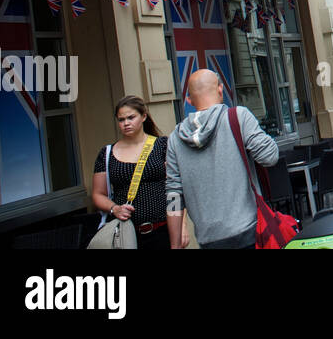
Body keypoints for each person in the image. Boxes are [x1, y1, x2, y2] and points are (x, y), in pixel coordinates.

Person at [165, 69, 279, 249]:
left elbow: (173, 195)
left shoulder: (175, 138)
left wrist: (175, 245)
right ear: (220, 90)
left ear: (189, 100)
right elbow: (269, 157)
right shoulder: (238, 117)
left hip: (209, 240)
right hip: (249, 232)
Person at [91, 96, 184, 250]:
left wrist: (182, 226)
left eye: (131, 117)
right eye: (121, 120)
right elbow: (98, 194)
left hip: (162, 230)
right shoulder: (107, 153)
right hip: (125, 234)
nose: (126, 123)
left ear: (144, 116)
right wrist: (115, 208)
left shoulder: (162, 145)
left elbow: (176, 189)